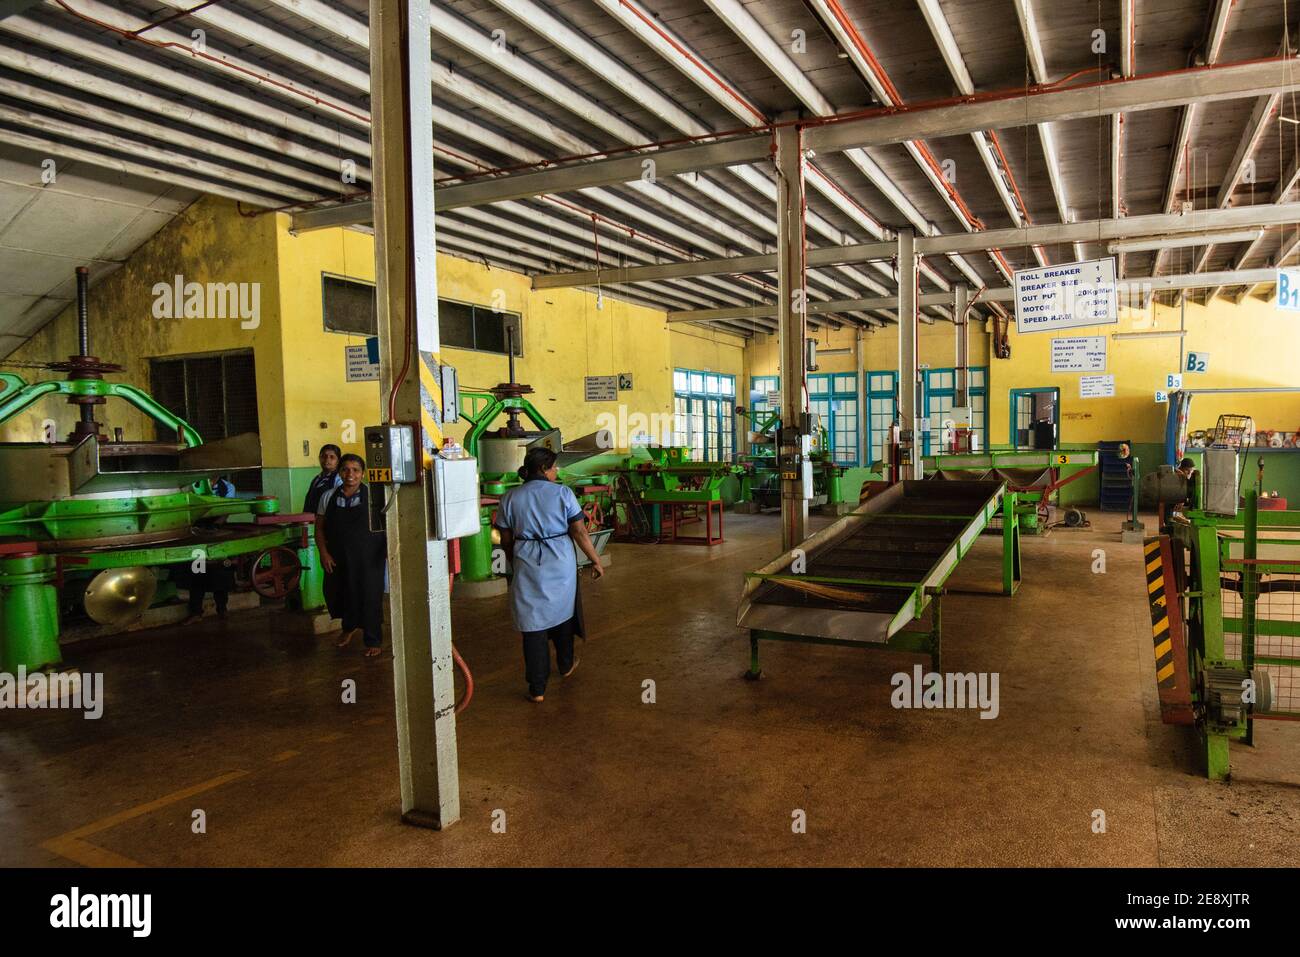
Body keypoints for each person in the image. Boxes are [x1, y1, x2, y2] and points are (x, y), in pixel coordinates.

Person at [493, 446, 604, 703]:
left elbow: (505, 539)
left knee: (532, 623)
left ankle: (537, 688)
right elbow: (579, 532)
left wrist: (515, 560)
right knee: (563, 612)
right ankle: (565, 665)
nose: (556, 471)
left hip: (526, 560)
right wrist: (595, 560)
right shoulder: (563, 493)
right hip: (560, 560)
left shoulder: (510, 497)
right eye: (554, 467)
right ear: (544, 469)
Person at [315, 453, 386, 658]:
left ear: (363, 474)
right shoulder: (328, 497)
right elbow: (319, 529)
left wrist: (387, 552)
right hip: (338, 556)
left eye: (355, 470)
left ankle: (373, 640)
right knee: (341, 593)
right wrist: (324, 553)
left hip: (369, 556)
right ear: (339, 472)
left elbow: (387, 525)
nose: (350, 474)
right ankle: (348, 628)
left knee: (370, 596)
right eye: (345, 469)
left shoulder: (374, 496)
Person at [303, 444, 342, 513]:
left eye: (332, 457)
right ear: (319, 458)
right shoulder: (317, 479)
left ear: (338, 461)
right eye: (324, 456)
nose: (327, 460)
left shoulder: (339, 479)